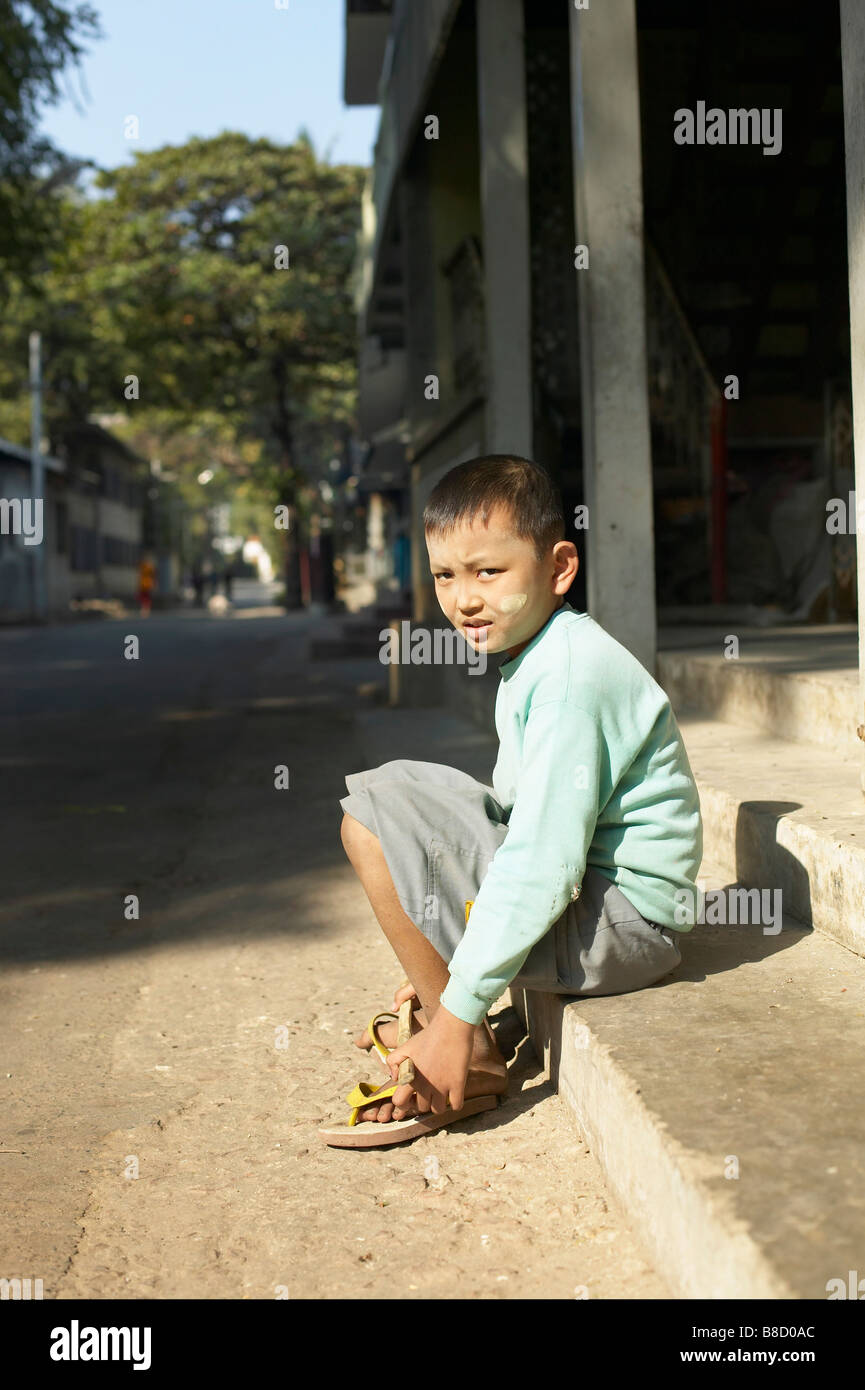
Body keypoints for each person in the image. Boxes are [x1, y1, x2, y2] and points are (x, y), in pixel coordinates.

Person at [321, 454, 702, 1148]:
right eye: (445, 575)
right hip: (602, 903)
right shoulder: (540, 652)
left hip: (627, 923)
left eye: (487, 572)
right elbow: (521, 820)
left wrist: (458, 1005)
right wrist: (445, 951)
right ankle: (454, 1023)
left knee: (369, 824)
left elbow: (542, 862)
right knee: (393, 790)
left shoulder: (566, 679)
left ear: (558, 568)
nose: (463, 598)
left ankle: (463, 1056)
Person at [137, 554, 156, 618]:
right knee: (145, 598)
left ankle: (145, 609)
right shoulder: (147, 566)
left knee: (145, 598)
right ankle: (145, 609)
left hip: (146, 584)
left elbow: (153, 575)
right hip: (146, 584)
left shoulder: (145, 566)